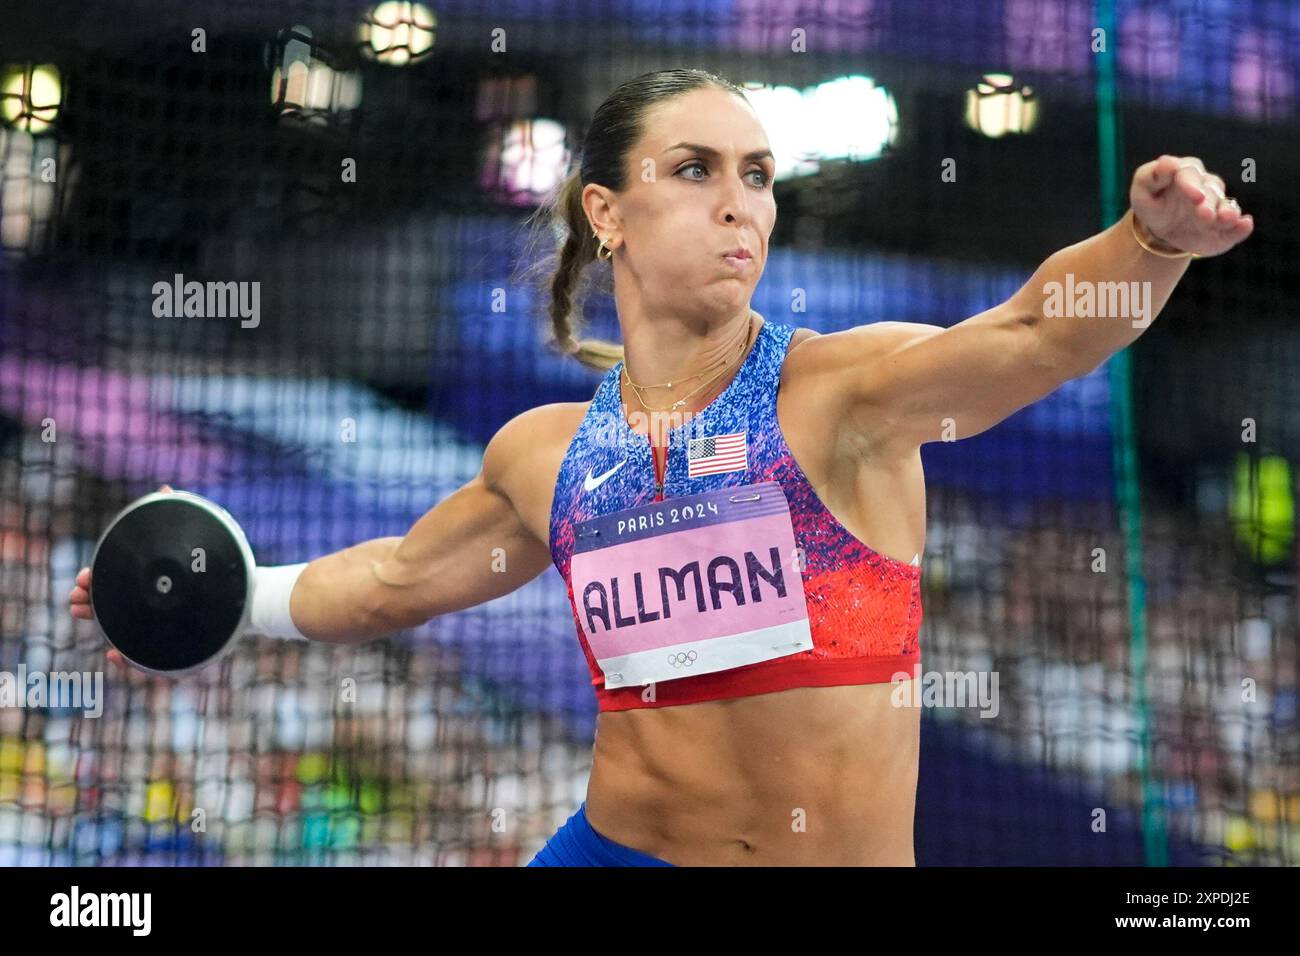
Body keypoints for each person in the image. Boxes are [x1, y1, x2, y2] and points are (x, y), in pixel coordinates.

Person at [70, 67, 1252, 866]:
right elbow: (388, 580)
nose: (740, 204)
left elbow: (1037, 332)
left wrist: (1148, 242)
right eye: (695, 169)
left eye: (756, 174)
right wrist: (215, 600)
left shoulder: (842, 397)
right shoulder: (547, 454)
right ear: (608, 213)